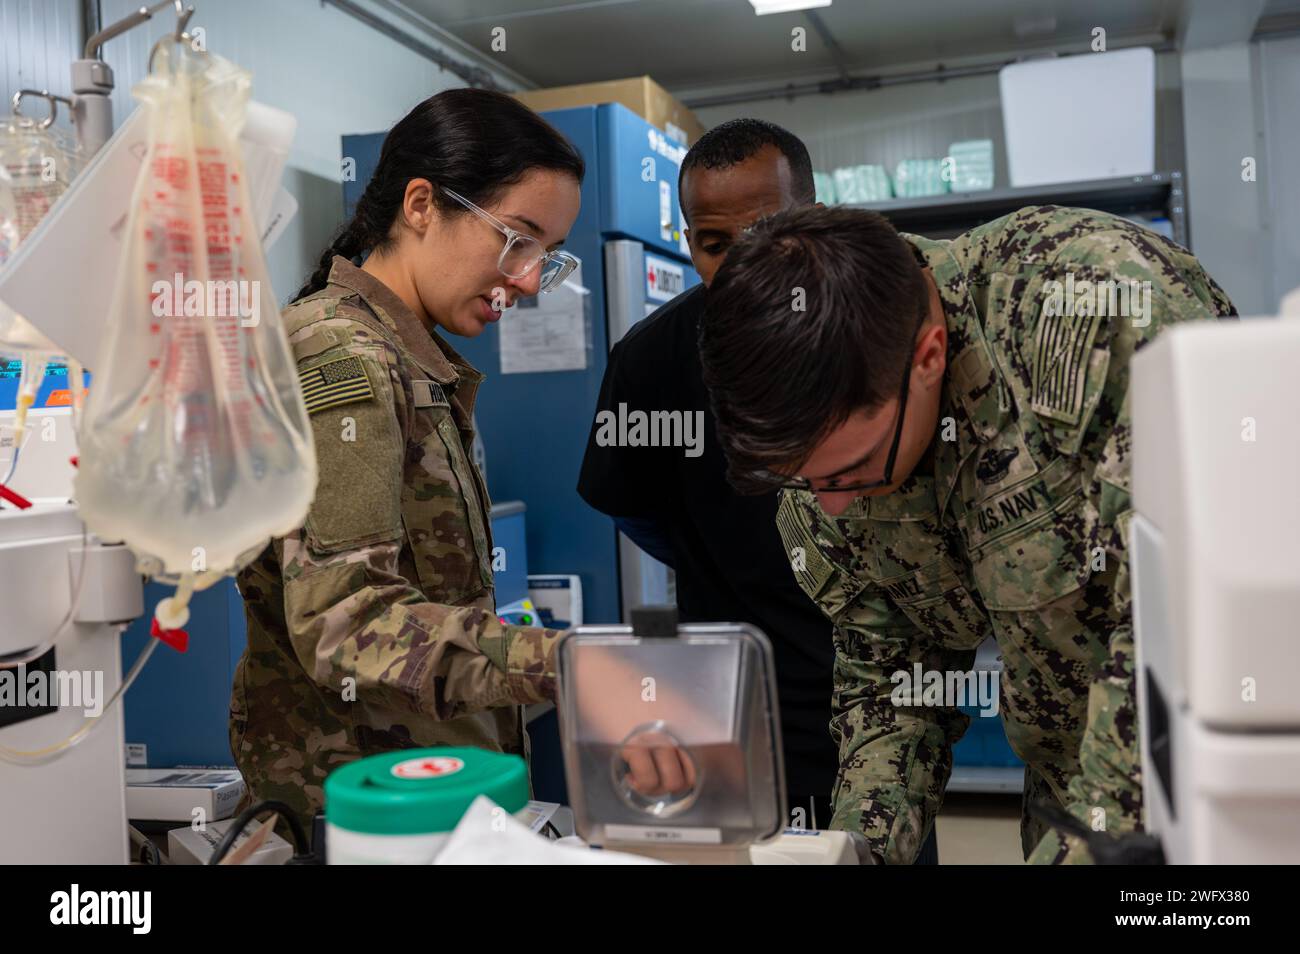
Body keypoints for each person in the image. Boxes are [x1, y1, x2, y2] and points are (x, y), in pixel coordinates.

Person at [697, 203, 1237, 864]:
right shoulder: (825, 448)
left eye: (853, 471)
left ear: (928, 358)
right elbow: (894, 683)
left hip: (1227, 795)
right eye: (804, 482)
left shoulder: (1099, 312)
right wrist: (858, 853)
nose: (832, 508)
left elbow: (1189, 635)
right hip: (1071, 791)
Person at [578, 119, 939, 856]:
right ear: (688, 243)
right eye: (716, 244)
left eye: (770, 231)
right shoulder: (650, 365)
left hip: (884, 686)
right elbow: (638, 514)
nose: (750, 264)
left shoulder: (883, 322)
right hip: (746, 698)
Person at [230, 88, 584, 836]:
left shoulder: (410, 361)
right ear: (422, 204)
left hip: (426, 796)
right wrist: (569, 664)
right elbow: (344, 621)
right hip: (364, 805)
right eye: (517, 240)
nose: (526, 281)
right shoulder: (343, 354)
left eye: (546, 258)